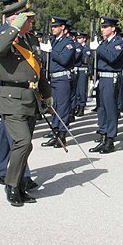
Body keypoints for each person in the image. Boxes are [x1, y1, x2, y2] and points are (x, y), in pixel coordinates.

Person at [0, 0, 48, 206]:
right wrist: (14, 28)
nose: (32, 21)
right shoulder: (2, 36)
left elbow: (38, 70)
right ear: (16, 19)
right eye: (27, 18)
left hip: (30, 97)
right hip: (11, 98)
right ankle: (11, 185)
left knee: (25, 145)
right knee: (22, 141)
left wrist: (46, 94)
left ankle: (20, 186)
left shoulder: (30, 39)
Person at [89, 16, 123, 154]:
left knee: (110, 109)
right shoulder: (104, 43)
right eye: (102, 27)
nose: (103, 29)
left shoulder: (118, 42)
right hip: (102, 78)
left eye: (105, 27)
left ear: (113, 28)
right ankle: (103, 136)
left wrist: (98, 49)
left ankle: (110, 140)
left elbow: (112, 57)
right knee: (101, 109)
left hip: (112, 79)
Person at [40, 16, 76, 147]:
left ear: (63, 28)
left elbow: (64, 59)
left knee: (62, 107)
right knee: (53, 106)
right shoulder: (54, 42)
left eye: (56, 26)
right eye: (52, 27)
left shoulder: (68, 42)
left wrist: (50, 51)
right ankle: (55, 133)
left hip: (62, 78)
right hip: (53, 77)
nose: (53, 29)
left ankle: (62, 135)